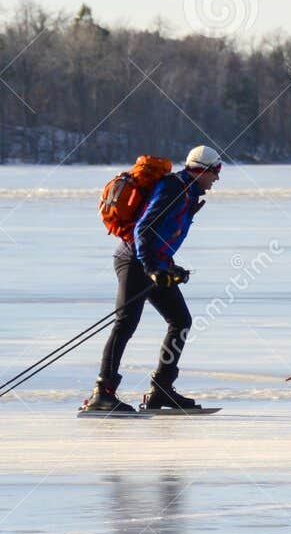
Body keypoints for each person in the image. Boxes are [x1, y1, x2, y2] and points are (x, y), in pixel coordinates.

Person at [82, 145, 223, 413]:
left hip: (151, 263)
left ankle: (161, 390)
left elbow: (161, 235)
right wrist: (152, 268)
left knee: (181, 320)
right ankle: (103, 392)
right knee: (126, 323)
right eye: (215, 171)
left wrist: (169, 267)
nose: (217, 178)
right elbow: (143, 229)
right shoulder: (174, 189)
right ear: (200, 170)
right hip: (134, 261)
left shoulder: (186, 191)